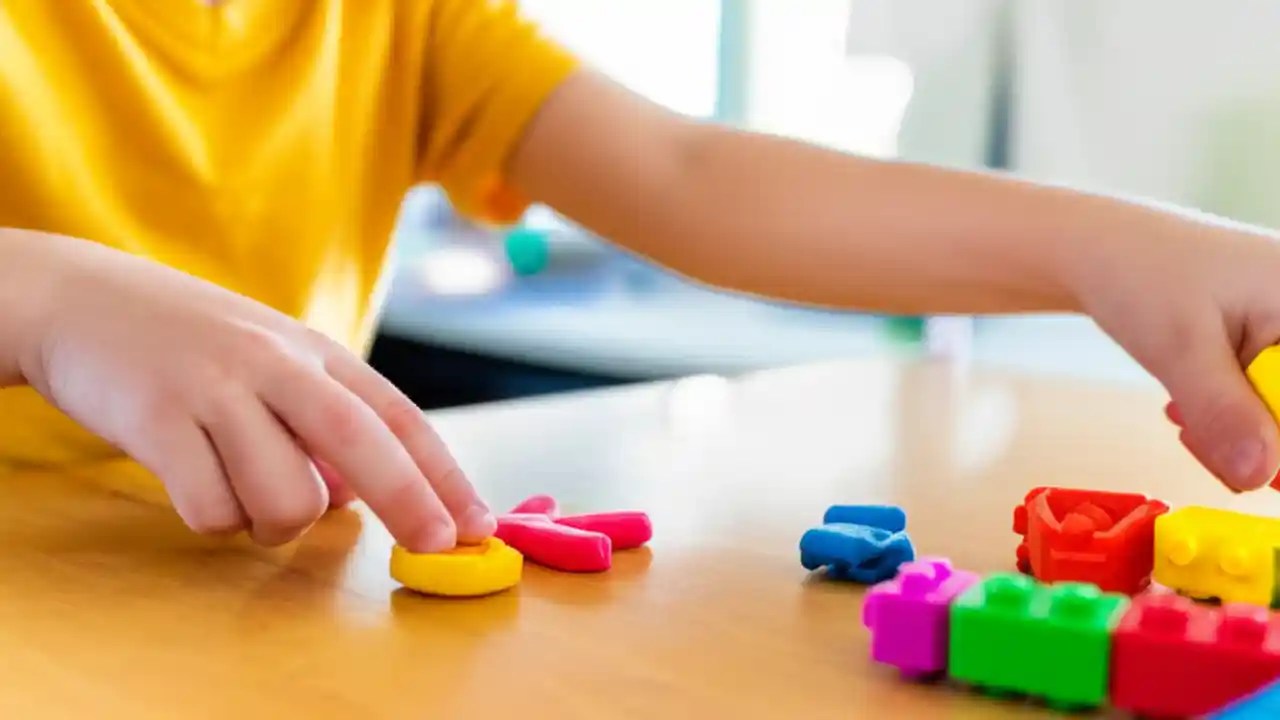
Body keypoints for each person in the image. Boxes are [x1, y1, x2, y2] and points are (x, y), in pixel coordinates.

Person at [1, 1, 1277, 555]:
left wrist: (1110, 245)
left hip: (220, 604)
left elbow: (679, 173)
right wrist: (41, 300)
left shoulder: (392, 17)